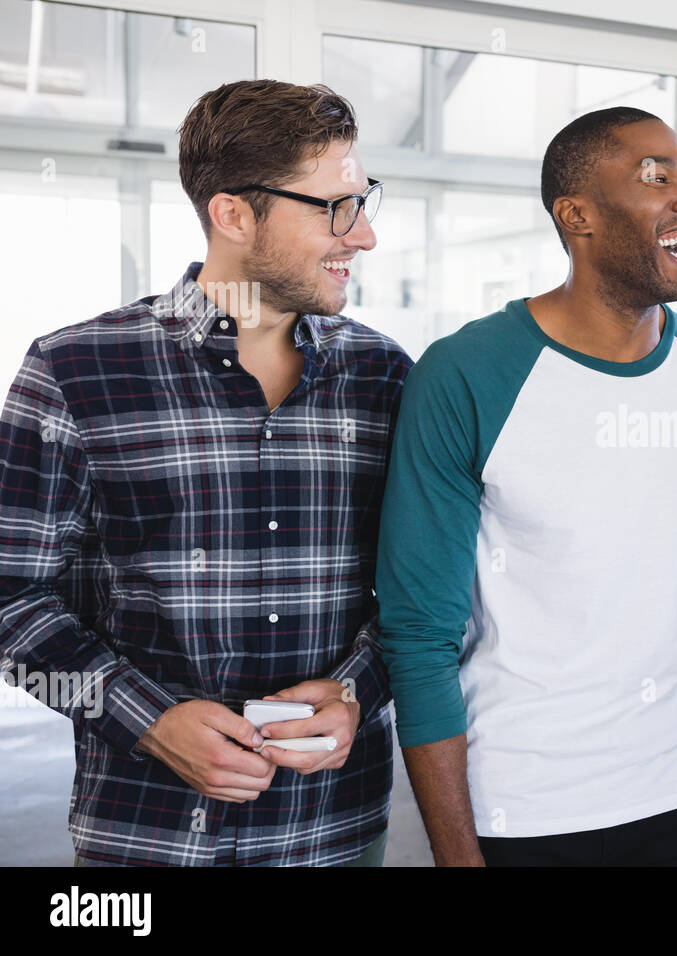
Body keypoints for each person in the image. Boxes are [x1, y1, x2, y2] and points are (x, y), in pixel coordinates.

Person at [0, 79, 410, 865]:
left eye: (363, 201)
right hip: (145, 840)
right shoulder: (74, 371)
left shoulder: (388, 377)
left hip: (336, 833)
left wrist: (360, 687)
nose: (363, 238)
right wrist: (144, 717)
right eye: (334, 208)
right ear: (232, 214)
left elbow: (428, 592)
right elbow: (10, 598)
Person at [377, 106, 677, 866]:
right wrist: (457, 856)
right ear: (576, 215)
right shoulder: (466, 374)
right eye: (656, 176)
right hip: (522, 810)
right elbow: (419, 637)